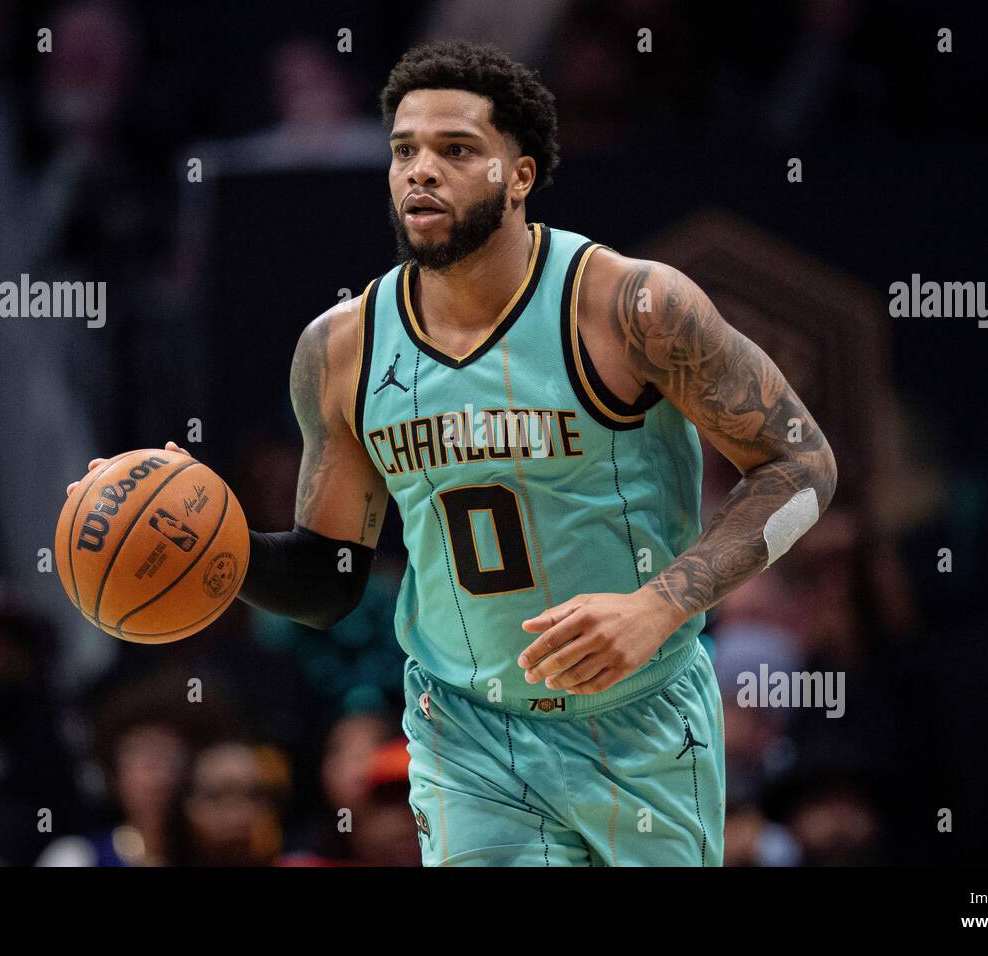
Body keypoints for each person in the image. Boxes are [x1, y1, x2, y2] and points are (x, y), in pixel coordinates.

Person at [66, 39, 836, 866]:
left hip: (642, 718)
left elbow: (801, 466)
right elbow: (329, 580)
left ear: (521, 174)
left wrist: (660, 605)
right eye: (404, 151)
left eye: (456, 150)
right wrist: (214, 547)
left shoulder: (631, 305)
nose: (420, 172)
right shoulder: (342, 349)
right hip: (466, 730)